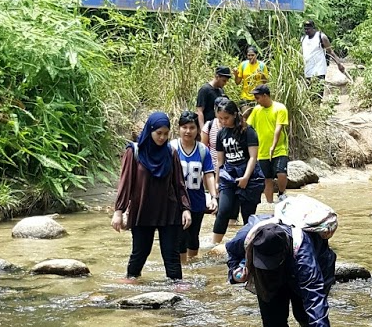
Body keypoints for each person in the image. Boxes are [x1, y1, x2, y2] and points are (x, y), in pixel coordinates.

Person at [226, 216, 338, 327]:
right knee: (273, 320)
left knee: (304, 313)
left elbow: (314, 294)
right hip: (265, 274)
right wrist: (235, 271)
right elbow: (232, 252)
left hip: (309, 264)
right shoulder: (245, 237)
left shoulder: (304, 253)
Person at [112, 111, 191, 283]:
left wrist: (185, 209)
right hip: (143, 209)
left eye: (165, 134)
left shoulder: (171, 152)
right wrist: (119, 211)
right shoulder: (134, 152)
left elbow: (179, 183)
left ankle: (177, 285)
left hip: (168, 209)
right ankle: (131, 278)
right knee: (140, 250)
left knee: (171, 252)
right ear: (150, 131)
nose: (162, 137)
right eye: (158, 133)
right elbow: (125, 183)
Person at [211, 99, 265, 245]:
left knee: (248, 215)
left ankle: (249, 246)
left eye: (226, 118)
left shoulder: (248, 131)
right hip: (228, 176)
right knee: (223, 211)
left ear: (235, 115)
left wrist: (246, 177)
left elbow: (253, 157)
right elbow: (220, 161)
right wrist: (217, 183)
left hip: (250, 176)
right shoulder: (221, 134)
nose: (223, 121)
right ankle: (214, 245)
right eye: (220, 118)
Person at [172, 110, 216, 272]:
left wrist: (213, 197)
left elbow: (209, 174)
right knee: (180, 236)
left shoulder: (203, 150)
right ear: (179, 129)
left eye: (192, 127)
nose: (188, 131)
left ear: (197, 129)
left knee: (193, 235)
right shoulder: (172, 148)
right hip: (176, 201)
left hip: (196, 199)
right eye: (184, 127)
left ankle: (192, 267)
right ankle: (182, 267)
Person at [246, 84, 290, 206]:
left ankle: (281, 193)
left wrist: (273, 146)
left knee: (281, 172)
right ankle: (270, 204)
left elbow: (278, 128)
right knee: (267, 179)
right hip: (261, 151)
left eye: (258, 97)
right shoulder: (256, 110)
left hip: (279, 149)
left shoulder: (280, 108)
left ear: (265, 96)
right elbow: (249, 127)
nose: (256, 100)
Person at [301, 19, 339, 101]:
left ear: (313, 28)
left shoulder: (321, 37)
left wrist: (339, 64)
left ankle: (317, 110)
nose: (306, 30)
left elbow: (330, 51)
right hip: (307, 71)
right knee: (309, 95)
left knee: (318, 94)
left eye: (308, 28)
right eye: (305, 29)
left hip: (319, 70)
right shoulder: (303, 39)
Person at [195, 66, 232, 136]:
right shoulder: (205, 90)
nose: (225, 83)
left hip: (219, 127)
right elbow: (199, 111)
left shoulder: (221, 91)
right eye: (224, 80)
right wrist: (203, 130)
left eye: (226, 81)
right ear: (217, 77)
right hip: (208, 127)